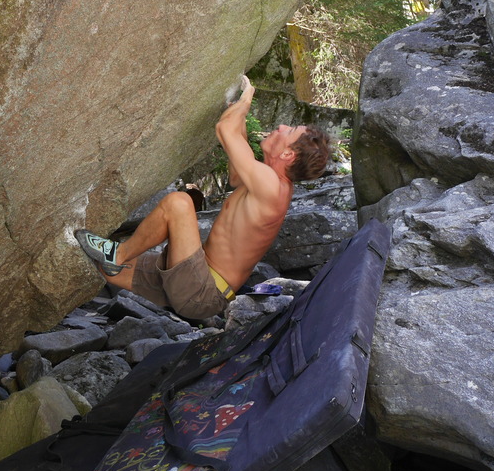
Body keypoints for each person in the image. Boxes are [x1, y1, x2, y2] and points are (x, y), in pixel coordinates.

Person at [75, 76, 330, 319]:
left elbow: (224, 129)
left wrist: (247, 99)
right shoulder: (268, 182)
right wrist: (236, 110)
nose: (282, 126)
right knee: (96, 267)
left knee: (179, 203)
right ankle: (105, 261)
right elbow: (235, 172)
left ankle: (117, 254)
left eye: (290, 130)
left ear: (288, 155)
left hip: (202, 290)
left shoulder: (272, 186)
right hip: (194, 276)